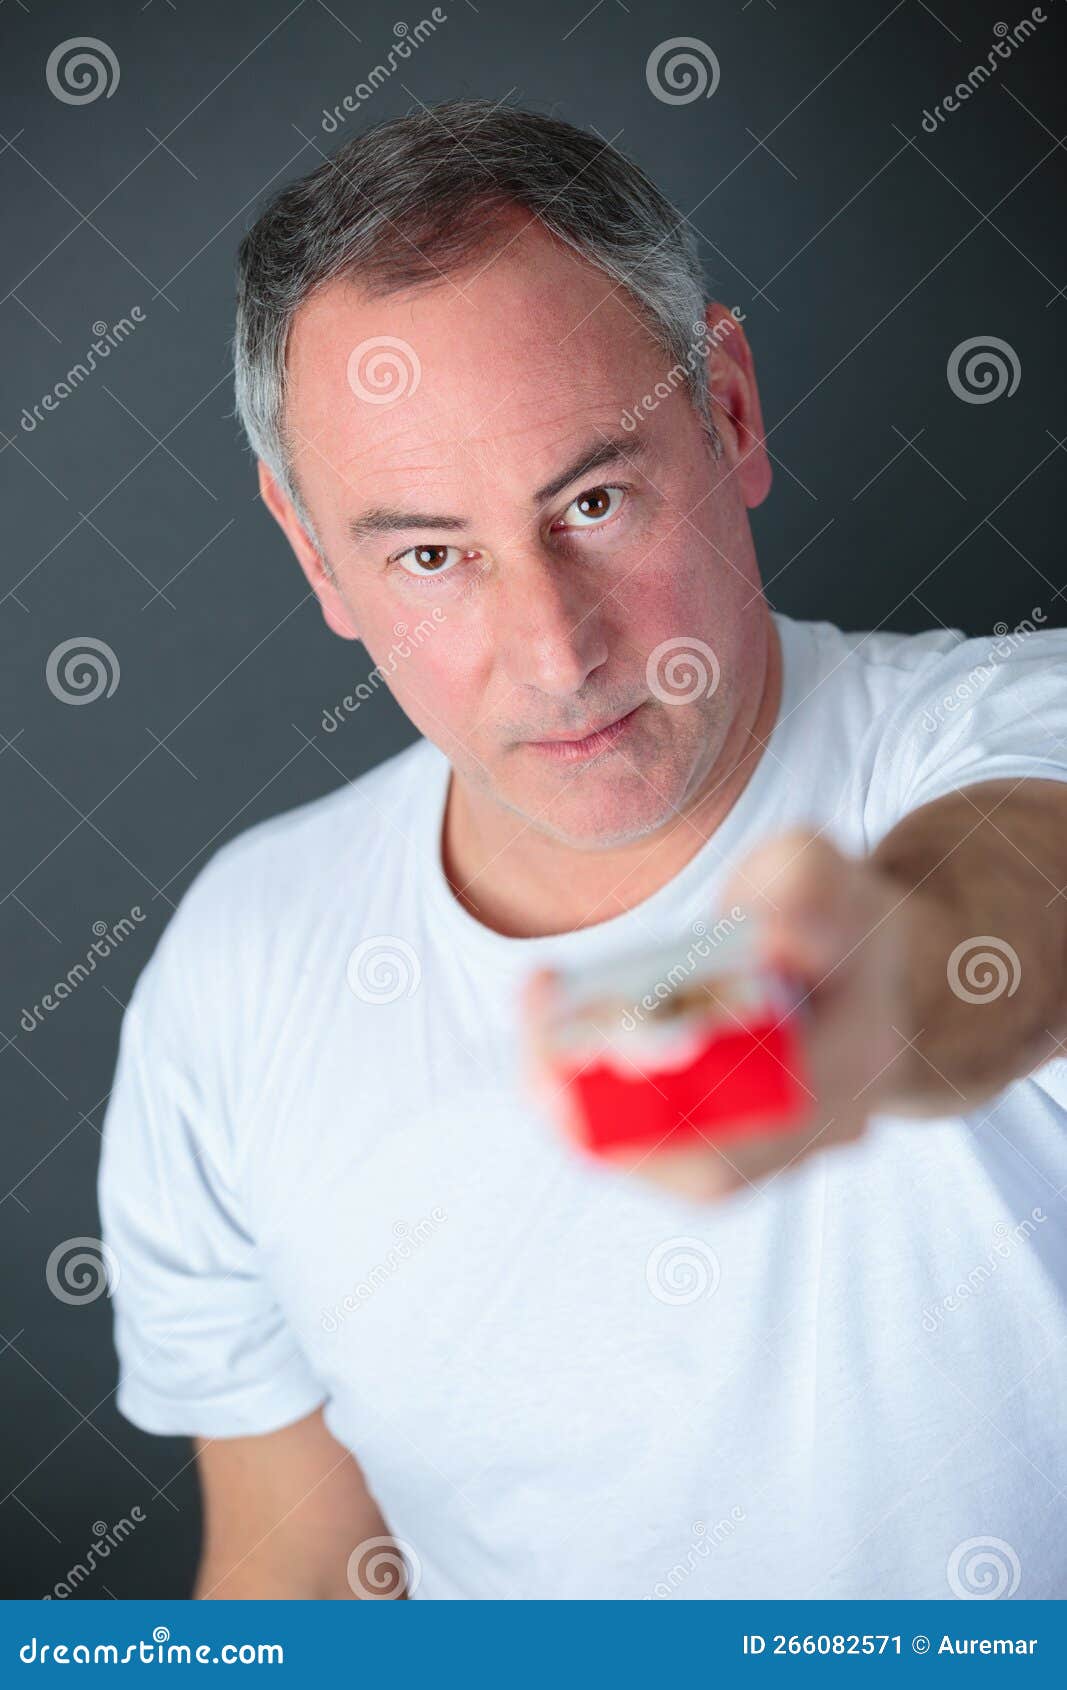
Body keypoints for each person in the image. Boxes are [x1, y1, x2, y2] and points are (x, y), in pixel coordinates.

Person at [98, 99, 1067, 1601]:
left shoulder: (1011, 724)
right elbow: (300, 1578)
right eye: (433, 554)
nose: (556, 653)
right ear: (314, 553)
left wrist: (893, 974)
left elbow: (1026, 880)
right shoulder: (238, 968)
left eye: (594, 502)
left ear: (728, 411)